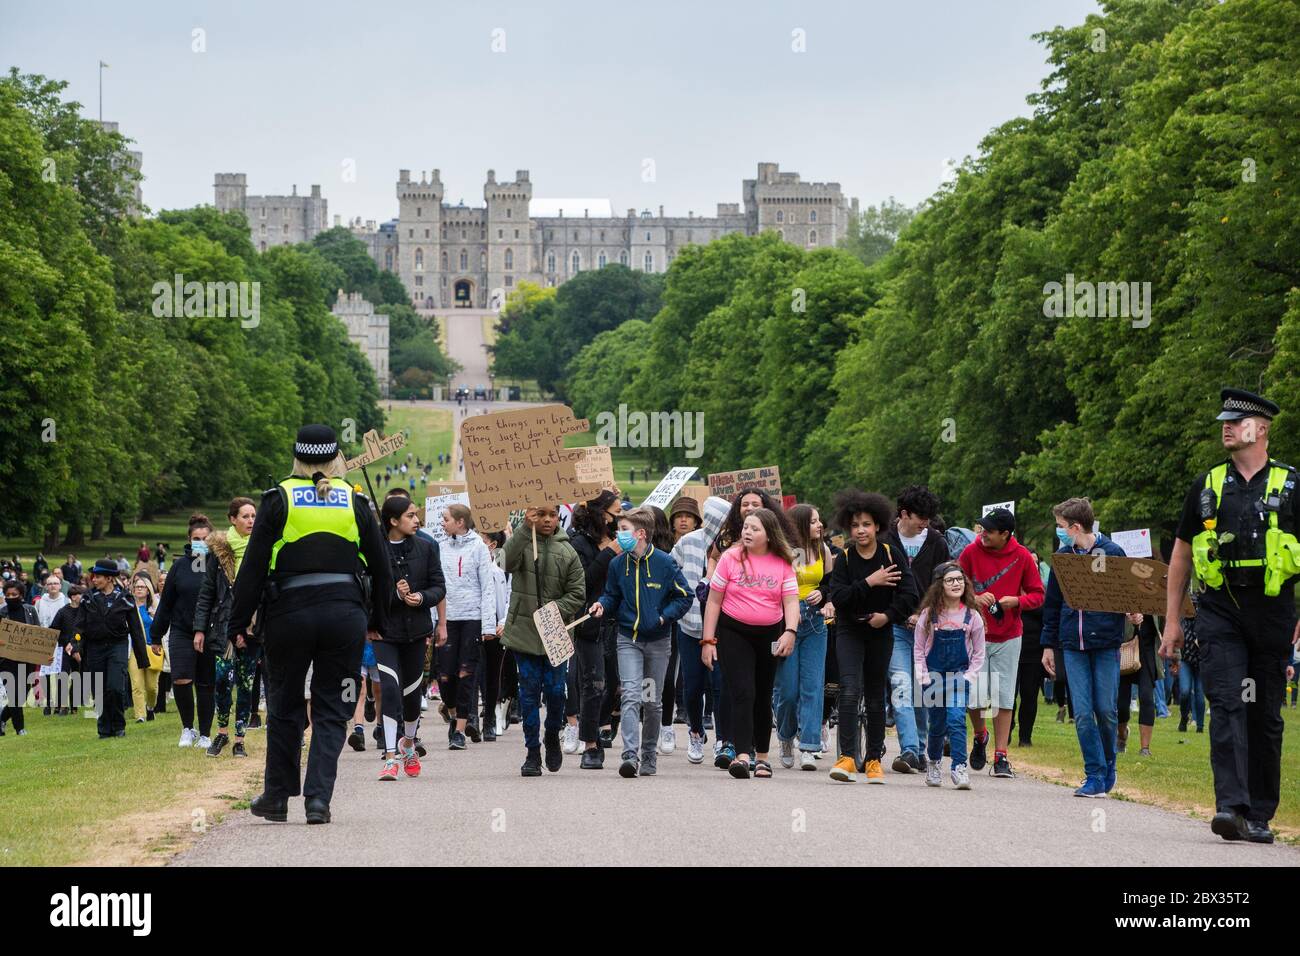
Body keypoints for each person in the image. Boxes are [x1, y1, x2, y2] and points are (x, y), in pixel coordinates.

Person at [227, 424, 392, 824]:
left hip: (288, 614)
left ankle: (278, 796)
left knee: (284, 705)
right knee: (333, 708)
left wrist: (237, 622)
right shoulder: (355, 500)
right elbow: (382, 564)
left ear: (296, 458)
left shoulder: (278, 498)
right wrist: (377, 620)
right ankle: (318, 799)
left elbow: (251, 568)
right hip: (344, 614)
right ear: (337, 458)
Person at [1163, 387, 1296, 843]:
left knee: (1264, 712)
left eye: (1236, 421)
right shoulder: (1207, 485)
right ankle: (1230, 808)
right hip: (1220, 610)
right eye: (1224, 420)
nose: (1226, 426)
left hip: (1274, 611)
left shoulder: (1292, 484)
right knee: (1226, 704)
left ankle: (1259, 813)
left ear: (1260, 429)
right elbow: (1181, 555)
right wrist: (1173, 620)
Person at [1040, 497, 1136, 797]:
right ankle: (1093, 774)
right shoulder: (1063, 557)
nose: (1059, 532)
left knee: (1106, 710)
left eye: (1060, 527)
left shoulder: (1113, 552)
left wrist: (1135, 611)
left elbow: (1128, 594)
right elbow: (1052, 604)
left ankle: (1109, 765)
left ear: (1076, 526)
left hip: (1106, 644)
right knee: (1081, 713)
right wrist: (1048, 646)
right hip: (1072, 645)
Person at [590, 507, 691, 778]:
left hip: (657, 643)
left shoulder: (665, 563)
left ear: (641, 533)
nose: (618, 535)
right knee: (631, 696)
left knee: (652, 701)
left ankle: (649, 754)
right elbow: (611, 595)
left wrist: (663, 618)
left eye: (623, 530)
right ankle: (629, 756)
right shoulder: (616, 564)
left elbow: (684, 596)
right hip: (628, 640)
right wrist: (602, 604)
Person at [701, 507, 800, 779]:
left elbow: (791, 601)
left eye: (755, 529)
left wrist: (790, 631)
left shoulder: (782, 562)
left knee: (763, 693)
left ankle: (763, 758)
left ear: (769, 535)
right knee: (743, 692)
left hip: (769, 633)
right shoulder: (730, 558)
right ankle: (742, 755)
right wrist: (708, 641)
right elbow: (713, 601)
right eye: (746, 527)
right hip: (734, 631)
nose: (747, 532)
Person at [827, 491, 919, 782]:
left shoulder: (891, 555)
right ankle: (845, 758)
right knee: (850, 690)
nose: (861, 530)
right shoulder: (843, 559)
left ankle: (873, 760)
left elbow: (910, 593)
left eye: (866, 524)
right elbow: (839, 597)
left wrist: (888, 616)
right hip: (849, 629)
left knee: (876, 695)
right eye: (855, 525)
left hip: (880, 630)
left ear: (877, 525)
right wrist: (870, 581)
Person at [957, 506, 1044, 779]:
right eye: (981, 528)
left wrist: (1016, 601)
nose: (982, 534)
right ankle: (980, 735)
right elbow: (954, 583)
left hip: (1009, 635)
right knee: (975, 697)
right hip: (976, 634)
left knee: (1004, 696)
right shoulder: (971, 552)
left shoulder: (1022, 557)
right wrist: (974, 597)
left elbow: (1038, 594)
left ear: (1005, 534)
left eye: (989, 531)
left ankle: (1001, 756)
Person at [501, 506, 585, 776]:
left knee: (555, 691)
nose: (546, 520)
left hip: (556, 632)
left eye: (551, 514)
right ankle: (532, 751)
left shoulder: (568, 551)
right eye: (540, 514)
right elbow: (504, 562)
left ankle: (552, 733)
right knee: (528, 693)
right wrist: (524, 530)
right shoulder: (523, 542)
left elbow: (577, 593)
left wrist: (552, 611)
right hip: (524, 631)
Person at [376, 495, 445, 780]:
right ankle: (391, 756)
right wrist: (394, 594)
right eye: (410, 516)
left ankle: (409, 743)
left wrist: (420, 597)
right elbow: (365, 589)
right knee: (391, 691)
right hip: (384, 631)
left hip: (416, 631)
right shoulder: (374, 549)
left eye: (416, 515)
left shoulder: (427, 547)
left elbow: (439, 586)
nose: (417, 520)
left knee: (412, 696)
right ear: (393, 521)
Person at [881, 485, 950, 773]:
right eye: (920, 517)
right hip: (894, 627)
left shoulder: (936, 542)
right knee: (900, 685)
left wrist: (925, 614)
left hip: (928, 628)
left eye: (929, 517)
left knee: (923, 691)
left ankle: (920, 749)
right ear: (904, 513)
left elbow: (946, 585)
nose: (925, 523)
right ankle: (909, 749)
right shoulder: (884, 539)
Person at [194, 497, 259, 758]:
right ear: (232, 519)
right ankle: (221, 732)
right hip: (223, 626)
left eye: (254, 516)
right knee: (222, 680)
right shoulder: (219, 553)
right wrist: (199, 628)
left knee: (246, 682)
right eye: (245, 516)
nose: (251, 521)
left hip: (252, 628)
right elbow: (207, 592)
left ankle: (240, 737)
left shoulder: (261, 550)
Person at [914, 562, 985, 789]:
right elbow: (918, 649)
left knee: (956, 720)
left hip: (959, 677)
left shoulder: (972, 616)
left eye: (959, 579)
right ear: (939, 585)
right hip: (933, 678)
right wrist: (923, 677)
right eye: (950, 580)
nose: (956, 584)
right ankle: (934, 762)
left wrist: (969, 677)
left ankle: (959, 767)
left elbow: (979, 653)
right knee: (937, 725)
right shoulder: (928, 615)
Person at [774, 503, 833, 770]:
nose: (819, 526)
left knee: (812, 686)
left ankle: (809, 746)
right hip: (787, 622)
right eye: (813, 522)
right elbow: (775, 585)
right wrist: (790, 609)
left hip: (816, 623)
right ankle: (786, 736)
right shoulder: (786, 553)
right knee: (787, 689)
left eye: (819, 521)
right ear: (799, 525)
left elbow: (831, 584)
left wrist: (824, 594)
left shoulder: (824, 550)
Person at [672, 496, 730, 765]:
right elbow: (670, 573)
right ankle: (696, 731)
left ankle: (723, 739)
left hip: (721, 628)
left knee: (719, 685)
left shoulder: (732, 547)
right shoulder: (687, 542)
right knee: (693, 686)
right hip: (690, 625)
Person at [436, 502, 496, 749]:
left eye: (446, 519)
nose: (443, 522)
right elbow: (436, 584)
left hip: (472, 617)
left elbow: (487, 586)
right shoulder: (439, 547)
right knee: (444, 675)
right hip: (447, 618)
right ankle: (452, 713)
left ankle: (460, 728)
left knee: (465, 673)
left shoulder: (479, 547)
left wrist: (488, 624)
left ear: (460, 522)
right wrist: (434, 621)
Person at [568, 491, 622, 769]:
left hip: (620, 621)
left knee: (613, 683)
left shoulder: (619, 538)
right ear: (600, 513)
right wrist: (609, 554)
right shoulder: (578, 543)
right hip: (589, 622)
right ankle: (589, 743)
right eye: (614, 512)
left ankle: (602, 727)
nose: (618, 517)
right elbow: (582, 583)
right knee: (593, 682)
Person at [152, 514, 216, 749]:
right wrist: (156, 635)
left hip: (209, 631)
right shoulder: (179, 566)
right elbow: (166, 603)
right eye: (196, 538)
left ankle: (206, 733)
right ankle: (188, 727)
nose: (200, 542)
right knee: (181, 678)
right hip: (181, 630)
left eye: (205, 538)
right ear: (189, 540)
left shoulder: (217, 564)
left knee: (206, 683)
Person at [73, 558, 150, 738]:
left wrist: (142, 658)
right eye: (94, 576)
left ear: (109, 578)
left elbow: (136, 629)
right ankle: (104, 728)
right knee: (99, 688)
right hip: (94, 648)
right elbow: (78, 627)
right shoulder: (88, 599)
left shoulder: (125, 598)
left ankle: (118, 725)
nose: (94, 579)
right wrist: (75, 644)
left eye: (98, 576)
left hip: (117, 646)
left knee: (115, 687)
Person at [1, 579, 42, 735]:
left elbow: (39, 635)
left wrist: (43, 656)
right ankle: (20, 728)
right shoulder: (1, 613)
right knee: (14, 694)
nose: (11, 597)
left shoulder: (30, 611)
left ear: (21, 595)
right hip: (6, 661)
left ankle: (2, 718)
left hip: (27, 660)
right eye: (8, 594)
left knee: (22, 695)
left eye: (14, 594)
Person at [1117, 615, 1159, 757]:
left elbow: (1164, 620)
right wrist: (1128, 615)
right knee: (1121, 704)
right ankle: (1122, 736)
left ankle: (1145, 748)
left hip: (1147, 650)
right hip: (1124, 648)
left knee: (1147, 697)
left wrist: (1175, 654)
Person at [128, 575, 163, 722]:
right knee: (137, 684)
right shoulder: (128, 607)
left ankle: (150, 707)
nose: (139, 589)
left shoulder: (156, 607)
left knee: (152, 687)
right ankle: (140, 715)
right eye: (137, 587)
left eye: (142, 587)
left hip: (152, 649)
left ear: (148, 590)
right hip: (135, 649)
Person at [35, 573, 70, 715]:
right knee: (46, 674)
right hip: (45, 642)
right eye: (49, 584)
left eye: (55, 583)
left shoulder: (65, 601)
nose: (52, 586)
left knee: (61, 674)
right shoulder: (40, 602)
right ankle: (48, 704)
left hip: (61, 642)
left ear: (60, 586)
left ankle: (61, 705)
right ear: (46, 586)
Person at [50, 585, 86, 715]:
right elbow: (54, 629)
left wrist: (76, 647)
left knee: (77, 678)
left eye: (80, 594)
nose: (78, 597)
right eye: (75, 594)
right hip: (64, 649)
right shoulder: (63, 611)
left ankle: (74, 706)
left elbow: (82, 632)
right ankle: (61, 706)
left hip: (80, 648)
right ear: (70, 597)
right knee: (63, 677)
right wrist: (66, 644)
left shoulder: (85, 611)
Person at [1174, 592, 1205, 733]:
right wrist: (1174, 661)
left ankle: (1200, 726)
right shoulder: (1181, 619)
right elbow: (1174, 640)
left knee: (1199, 693)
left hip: (1201, 661)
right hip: (1185, 660)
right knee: (1185, 692)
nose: (1192, 608)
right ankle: (1184, 717)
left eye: (1194, 605)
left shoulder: (1203, 620)